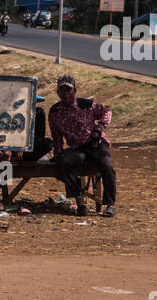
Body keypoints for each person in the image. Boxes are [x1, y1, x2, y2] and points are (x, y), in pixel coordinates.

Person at [49, 74, 116, 218]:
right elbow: (56, 136)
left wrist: (99, 129)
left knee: (106, 165)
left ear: (74, 91)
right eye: (62, 90)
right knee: (64, 162)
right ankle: (80, 201)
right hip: (76, 148)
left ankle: (110, 204)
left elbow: (107, 111)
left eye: (69, 90)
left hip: (95, 143)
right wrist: (58, 153)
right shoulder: (55, 112)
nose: (66, 93)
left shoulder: (86, 104)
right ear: (57, 93)